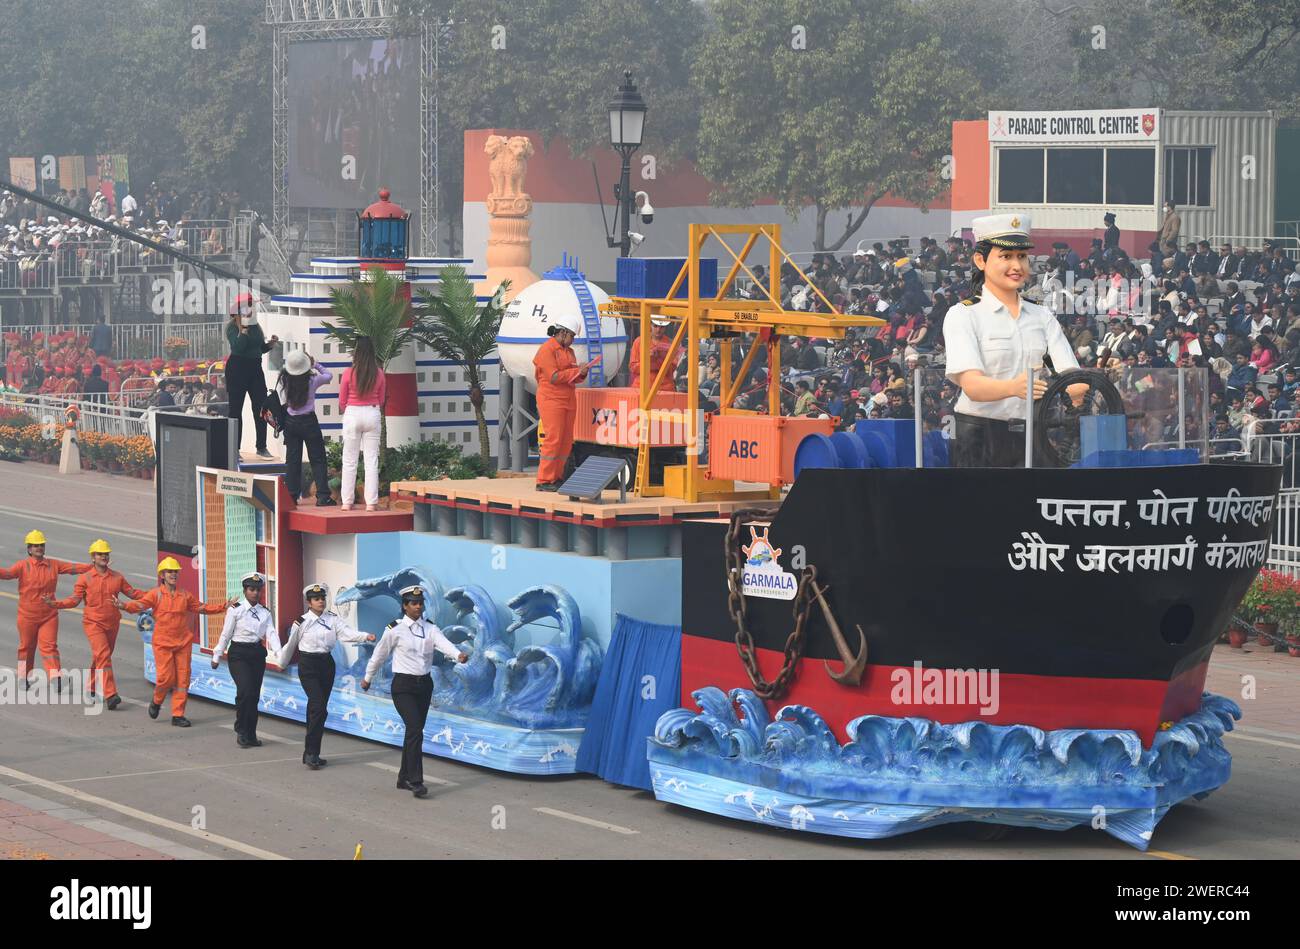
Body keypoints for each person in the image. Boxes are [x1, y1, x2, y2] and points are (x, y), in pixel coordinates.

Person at [943, 214, 1082, 467]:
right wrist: (1013, 388)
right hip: (979, 436)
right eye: (1005, 257)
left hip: (1032, 433)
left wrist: (1093, 381)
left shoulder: (1041, 316)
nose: (1017, 266)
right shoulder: (963, 314)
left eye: (1022, 257)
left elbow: (1071, 379)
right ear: (980, 260)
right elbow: (972, 385)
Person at [361, 585, 467, 798]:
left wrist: (458, 655)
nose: (418, 607)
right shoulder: (395, 629)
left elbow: (443, 644)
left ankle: (403, 777)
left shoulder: (430, 628)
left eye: (420, 603)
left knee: (414, 732)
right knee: (415, 729)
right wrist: (368, 677)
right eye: (414, 603)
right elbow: (380, 655)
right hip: (403, 687)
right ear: (405, 606)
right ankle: (416, 781)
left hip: (424, 685)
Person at [121, 558, 235, 727]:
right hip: (163, 643)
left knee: (183, 680)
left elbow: (201, 607)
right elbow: (140, 604)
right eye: (170, 572)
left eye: (175, 571)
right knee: (165, 678)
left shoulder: (184, 595)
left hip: (183, 643)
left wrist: (223, 607)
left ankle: (178, 714)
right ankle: (157, 701)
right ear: (162, 575)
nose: (173, 574)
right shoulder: (156, 594)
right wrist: (124, 606)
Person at [278, 582, 375, 770]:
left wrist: (365, 636)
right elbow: (291, 645)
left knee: (316, 709)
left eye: (322, 598)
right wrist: (282, 663)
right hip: (308, 666)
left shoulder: (332, 619)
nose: (320, 601)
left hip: (326, 665)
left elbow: (347, 634)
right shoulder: (301, 622)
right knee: (318, 706)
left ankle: (311, 752)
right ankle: (312, 753)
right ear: (309, 602)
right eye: (316, 599)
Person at [44, 539, 145, 710]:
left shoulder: (117, 577)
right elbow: (74, 601)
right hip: (93, 624)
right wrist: (56, 604)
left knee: (101, 658)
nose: (104, 556)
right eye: (100, 554)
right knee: (104, 655)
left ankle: (91, 687)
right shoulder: (85, 578)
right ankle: (111, 694)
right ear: (93, 557)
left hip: (112, 623)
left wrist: (157, 594)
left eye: (106, 554)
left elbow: (134, 593)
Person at [0, 530, 91, 687]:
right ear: (29, 549)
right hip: (27, 616)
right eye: (35, 546)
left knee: (50, 647)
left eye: (41, 545)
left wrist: (93, 566)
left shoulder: (53, 565)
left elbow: (73, 568)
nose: (39, 548)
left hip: (49, 616)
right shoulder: (22, 566)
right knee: (26, 648)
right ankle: (23, 677)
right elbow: (7, 574)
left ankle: (55, 678)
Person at [532, 313, 600, 491]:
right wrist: (575, 371)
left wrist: (581, 372)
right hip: (551, 399)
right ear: (562, 333)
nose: (573, 340)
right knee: (553, 439)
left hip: (568, 398)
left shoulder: (568, 352)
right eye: (572, 336)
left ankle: (557, 477)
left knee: (566, 440)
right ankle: (544, 480)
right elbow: (553, 377)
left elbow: (571, 377)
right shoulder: (547, 350)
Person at [211, 572, 278, 747]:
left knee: (253, 696)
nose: (255, 593)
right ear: (245, 590)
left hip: (256, 654)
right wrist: (217, 655)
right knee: (245, 691)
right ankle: (241, 729)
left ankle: (251, 734)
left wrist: (280, 654)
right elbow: (226, 634)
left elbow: (271, 633)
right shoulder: (235, 610)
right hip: (238, 654)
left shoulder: (265, 612)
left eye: (258, 590)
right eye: (251, 589)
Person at [279, 350, 336, 506]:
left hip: (290, 423)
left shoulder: (285, 380)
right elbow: (329, 375)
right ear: (306, 365)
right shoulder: (313, 380)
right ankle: (323, 496)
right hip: (309, 422)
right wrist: (315, 364)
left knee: (292, 460)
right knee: (318, 459)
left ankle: (291, 496)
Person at [225, 294, 278, 459]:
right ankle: (235, 449)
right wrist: (244, 331)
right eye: (248, 306)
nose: (251, 309)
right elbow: (238, 348)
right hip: (237, 368)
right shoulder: (232, 327)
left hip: (255, 368)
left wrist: (270, 344)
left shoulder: (256, 326)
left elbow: (259, 348)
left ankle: (261, 446)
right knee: (235, 410)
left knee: (260, 408)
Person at [338, 335, 386, 511]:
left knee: (349, 460)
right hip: (372, 413)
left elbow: (342, 400)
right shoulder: (379, 373)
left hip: (352, 414)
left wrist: (348, 409)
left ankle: (347, 502)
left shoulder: (348, 373)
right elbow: (381, 399)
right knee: (371, 460)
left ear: (356, 352)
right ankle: (371, 503)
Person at [629, 318, 681, 392]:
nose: (658, 330)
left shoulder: (671, 344)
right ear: (650, 325)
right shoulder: (639, 342)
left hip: (664, 388)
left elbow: (671, 370)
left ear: (665, 328)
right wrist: (649, 361)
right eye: (655, 326)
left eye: (661, 327)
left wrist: (658, 359)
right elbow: (633, 367)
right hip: (641, 386)